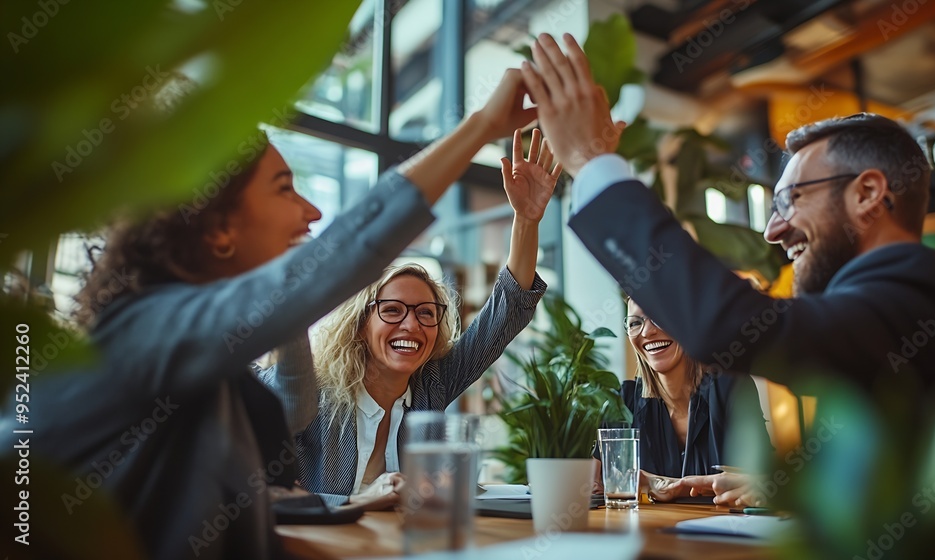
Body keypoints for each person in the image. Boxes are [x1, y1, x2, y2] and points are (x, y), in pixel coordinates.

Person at [2, 68, 538, 560]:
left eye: (427, 314)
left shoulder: (202, 365)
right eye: (284, 189)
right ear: (217, 227)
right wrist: (482, 126)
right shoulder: (149, 330)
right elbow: (335, 264)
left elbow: (255, 511)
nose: (312, 211)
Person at [518, 33, 935, 519]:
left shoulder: (912, 295)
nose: (773, 231)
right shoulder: (913, 300)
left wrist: (591, 163)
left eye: (791, 201)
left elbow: (727, 324)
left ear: (867, 194)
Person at [261, 129, 559, 503]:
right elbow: (270, 493)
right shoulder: (313, 390)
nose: (411, 325)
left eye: (426, 313)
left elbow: (510, 307)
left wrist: (528, 220)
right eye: (392, 310)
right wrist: (359, 501)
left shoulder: (431, 384)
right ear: (360, 325)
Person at [593, 298, 771, 503]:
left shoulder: (732, 388)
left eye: (660, 317)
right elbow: (592, 487)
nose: (647, 332)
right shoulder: (622, 402)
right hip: (647, 533)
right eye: (635, 323)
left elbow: (764, 483)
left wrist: (658, 483)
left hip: (722, 533)